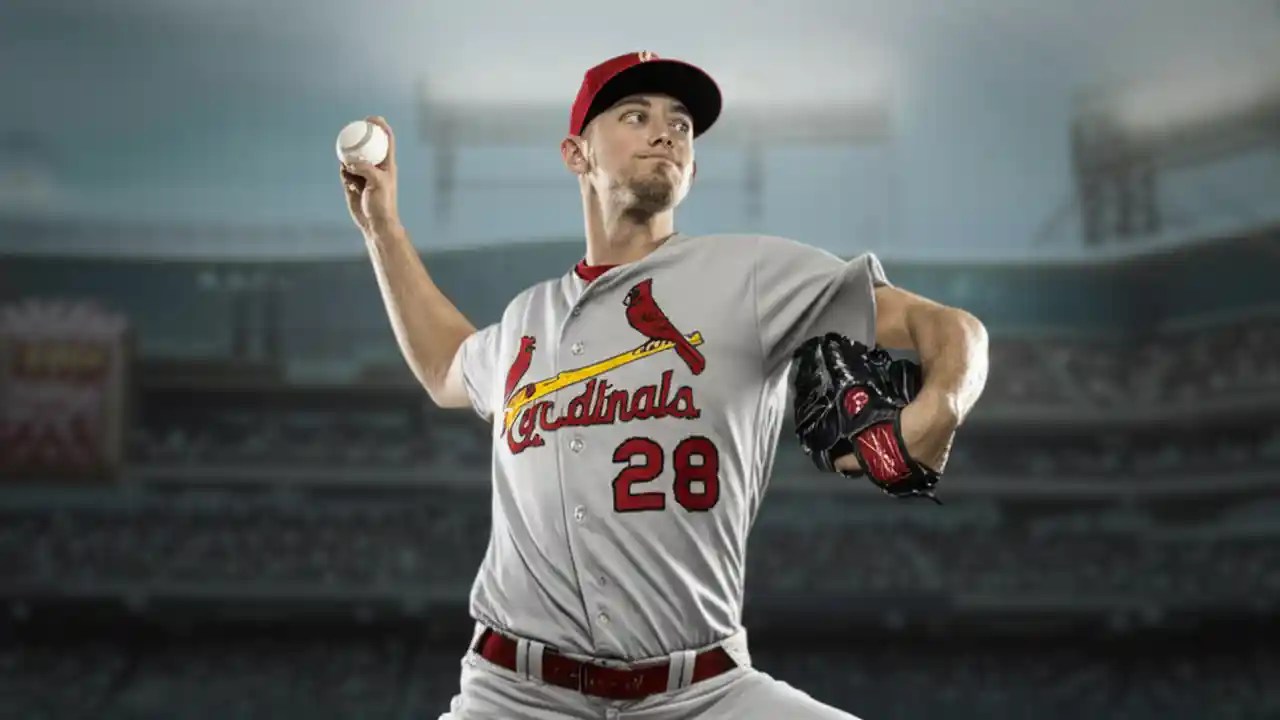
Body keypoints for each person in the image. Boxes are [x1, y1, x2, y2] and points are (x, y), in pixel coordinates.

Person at [340, 50, 988, 720]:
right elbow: (448, 368)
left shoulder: (755, 274)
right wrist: (383, 229)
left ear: (693, 168)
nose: (665, 132)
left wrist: (941, 404)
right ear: (576, 153)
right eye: (635, 115)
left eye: (681, 124)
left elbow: (948, 326)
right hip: (514, 696)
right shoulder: (524, 319)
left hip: (705, 693)